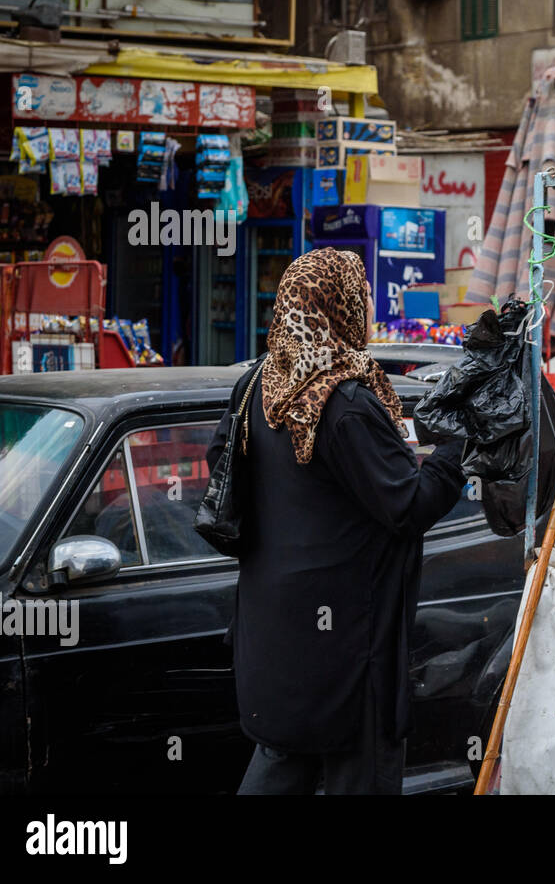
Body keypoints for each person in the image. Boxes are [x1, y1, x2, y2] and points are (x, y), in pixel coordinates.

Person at [209, 248, 466, 795]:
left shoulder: (258, 385)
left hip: (276, 632)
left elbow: (222, 467)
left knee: (283, 755)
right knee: (357, 771)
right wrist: (456, 447)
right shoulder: (344, 401)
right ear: (339, 307)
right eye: (361, 298)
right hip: (345, 646)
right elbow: (408, 507)